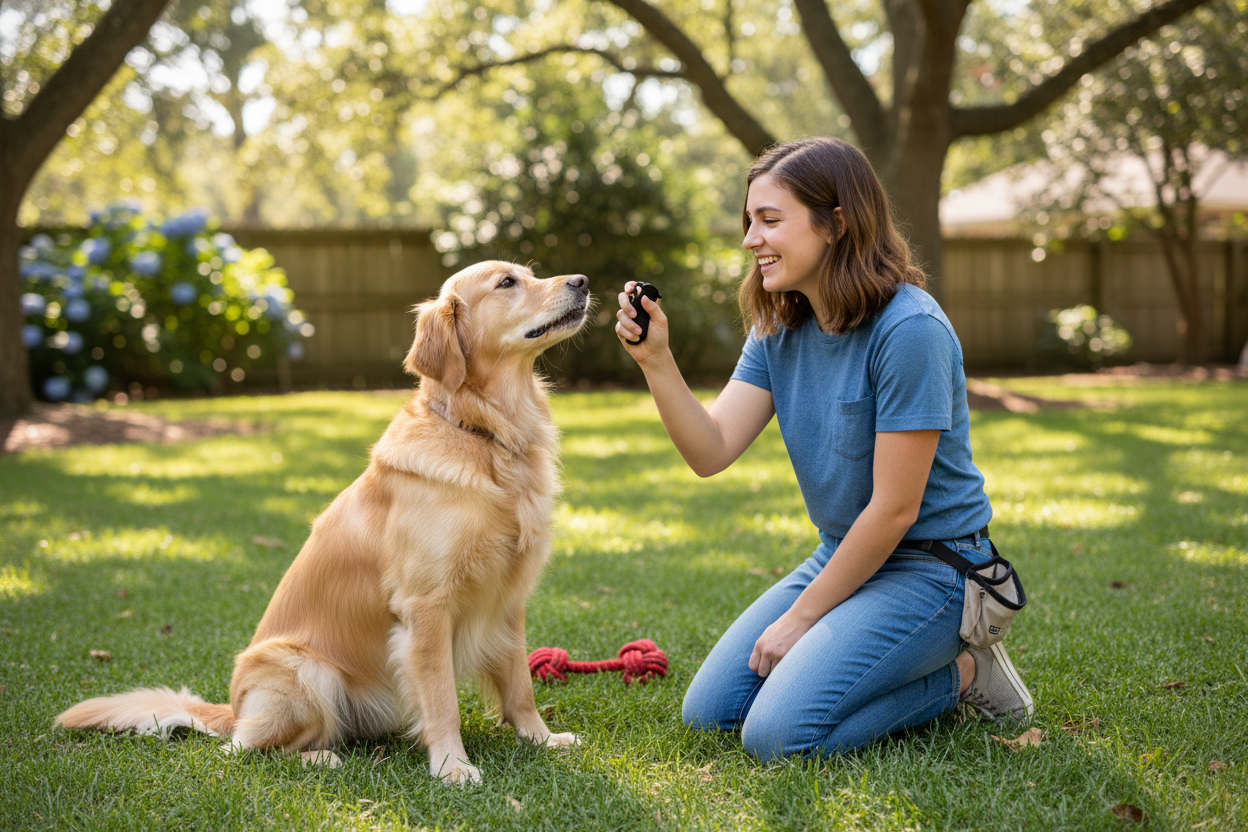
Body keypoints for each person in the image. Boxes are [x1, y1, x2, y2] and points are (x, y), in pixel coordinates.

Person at [614, 137, 1033, 760]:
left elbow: (895, 509)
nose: (752, 238)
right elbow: (712, 450)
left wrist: (801, 620)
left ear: (836, 223)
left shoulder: (910, 330)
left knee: (778, 736)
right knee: (710, 715)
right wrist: (656, 361)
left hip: (935, 570)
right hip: (843, 555)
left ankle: (964, 676)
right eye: (749, 221)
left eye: (771, 220)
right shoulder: (780, 327)